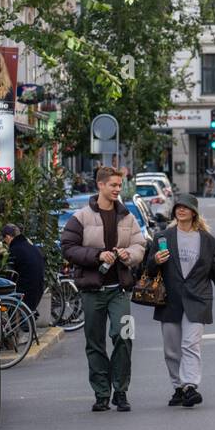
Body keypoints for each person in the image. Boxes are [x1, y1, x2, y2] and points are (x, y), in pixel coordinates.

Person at [61, 166, 147, 412]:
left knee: (123, 336)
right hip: (92, 291)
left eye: (120, 186)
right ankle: (101, 394)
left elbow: (140, 245)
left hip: (120, 289)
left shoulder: (127, 217)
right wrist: (98, 255)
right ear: (100, 185)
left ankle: (121, 391)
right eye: (114, 185)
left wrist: (127, 254)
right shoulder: (81, 217)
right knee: (95, 342)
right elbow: (68, 247)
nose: (118, 190)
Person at [146, 193, 215, 408]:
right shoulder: (162, 237)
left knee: (191, 344)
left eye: (185, 207)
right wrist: (155, 260)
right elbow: (148, 271)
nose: (181, 210)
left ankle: (190, 386)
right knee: (171, 349)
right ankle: (178, 387)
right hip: (169, 299)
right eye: (178, 207)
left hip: (198, 300)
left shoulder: (208, 241)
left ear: (194, 212)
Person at [1, 223, 46, 319]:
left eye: (5, 240)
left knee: (4, 296)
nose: (6, 243)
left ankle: (11, 328)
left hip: (26, 292)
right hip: (38, 289)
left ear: (8, 237)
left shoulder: (15, 250)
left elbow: (10, 276)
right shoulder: (32, 247)